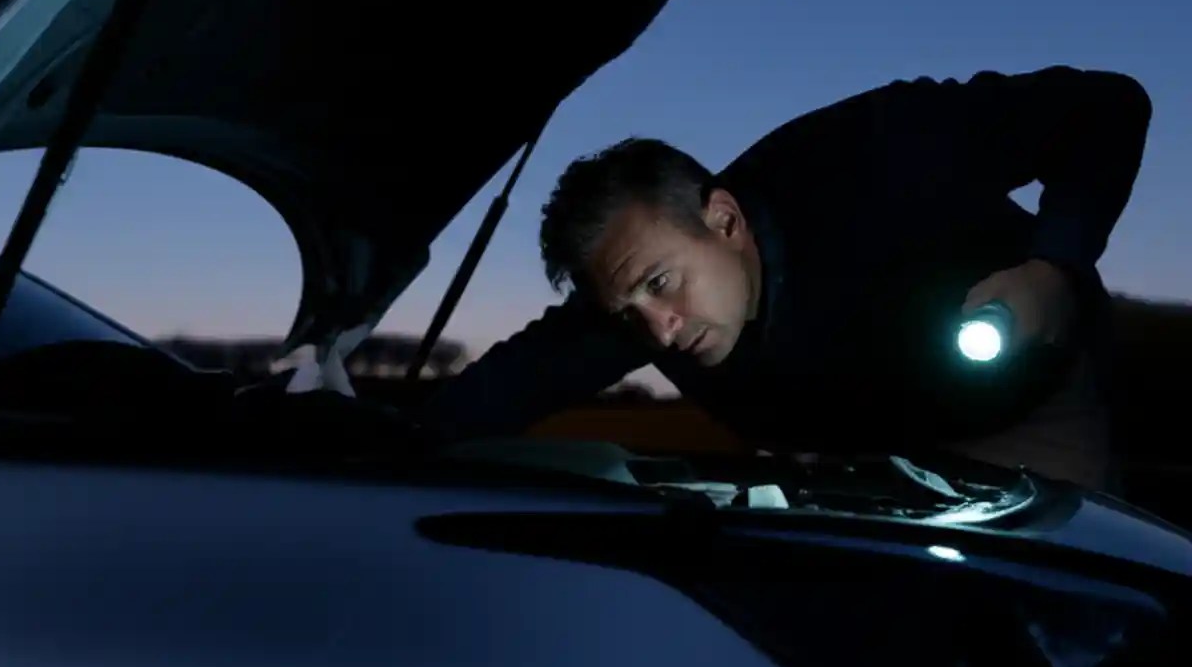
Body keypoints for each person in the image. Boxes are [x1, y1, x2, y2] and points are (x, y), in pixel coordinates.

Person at [417, 64, 1152, 492]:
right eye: (629, 311)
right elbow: (517, 379)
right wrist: (391, 441)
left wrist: (1056, 265)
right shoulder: (637, 306)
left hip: (1022, 411)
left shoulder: (878, 151)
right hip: (859, 465)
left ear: (726, 220)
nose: (660, 331)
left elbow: (1106, 106)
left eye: (662, 283)